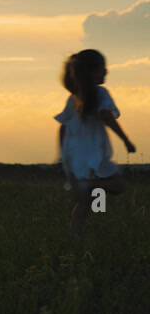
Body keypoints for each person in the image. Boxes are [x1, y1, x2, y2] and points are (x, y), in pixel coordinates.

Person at [55, 49, 136, 236]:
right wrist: (126, 140)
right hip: (93, 157)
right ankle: (92, 189)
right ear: (92, 72)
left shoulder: (73, 98)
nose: (106, 72)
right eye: (103, 69)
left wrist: (62, 155)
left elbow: (63, 127)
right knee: (117, 185)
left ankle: (76, 235)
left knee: (88, 201)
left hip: (75, 158)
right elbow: (106, 116)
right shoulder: (101, 94)